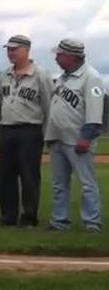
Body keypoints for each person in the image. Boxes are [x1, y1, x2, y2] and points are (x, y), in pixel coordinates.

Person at [45, 38, 104, 233]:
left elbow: (95, 113)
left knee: (87, 183)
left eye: (59, 54)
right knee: (59, 184)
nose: (56, 58)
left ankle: (92, 223)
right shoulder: (63, 77)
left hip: (77, 139)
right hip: (58, 137)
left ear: (71, 56)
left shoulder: (91, 77)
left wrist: (86, 137)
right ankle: (59, 221)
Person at [0, 35, 52, 227]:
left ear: (27, 50)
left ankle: (29, 216)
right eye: (8, 49)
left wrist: (46, 134)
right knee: (5, 175)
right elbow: (1, 101)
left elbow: (48, 106)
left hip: (30, 129)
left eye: (15, 49)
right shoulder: (4, 75)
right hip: (7, 128)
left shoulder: (40, 74)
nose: (11, 53)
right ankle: (8, 215)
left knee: (29, 175)